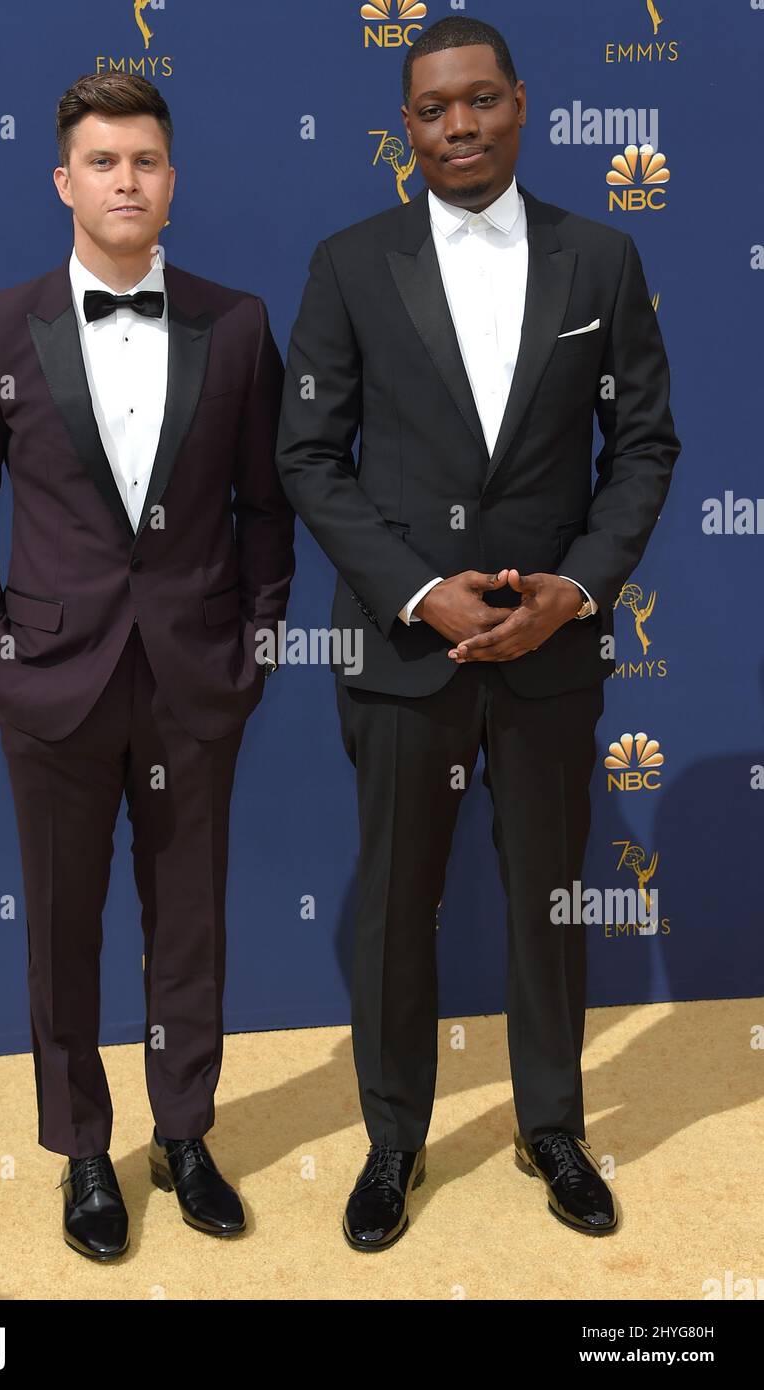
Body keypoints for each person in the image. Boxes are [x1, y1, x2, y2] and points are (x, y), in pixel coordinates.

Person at [275, 16, 679, 1251]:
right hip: (408, 650)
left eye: (480, 100)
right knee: (399, 900)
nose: (459, 125)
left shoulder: (600, 259)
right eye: (433, 108)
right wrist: (419, 590)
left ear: (521, 104)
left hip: (553, 648)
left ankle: (551, 1122)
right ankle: (394, 1137)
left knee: (550, 898)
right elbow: (309, 455)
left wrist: (576, 587)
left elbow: (645, 448)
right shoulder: (349, 263)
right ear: (406, 126)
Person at [0, 72, 294, 1261]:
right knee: (62, 926)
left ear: (171, 180)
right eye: (102, 161)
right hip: (51, 679)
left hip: (195, 674)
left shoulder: (235, 324)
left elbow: (266, 500)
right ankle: (85, 1148)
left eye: (143, 160)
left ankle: (184, 1132)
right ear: (63, 181)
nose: (124, 180)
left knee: (188, 925)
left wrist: (261, 631)